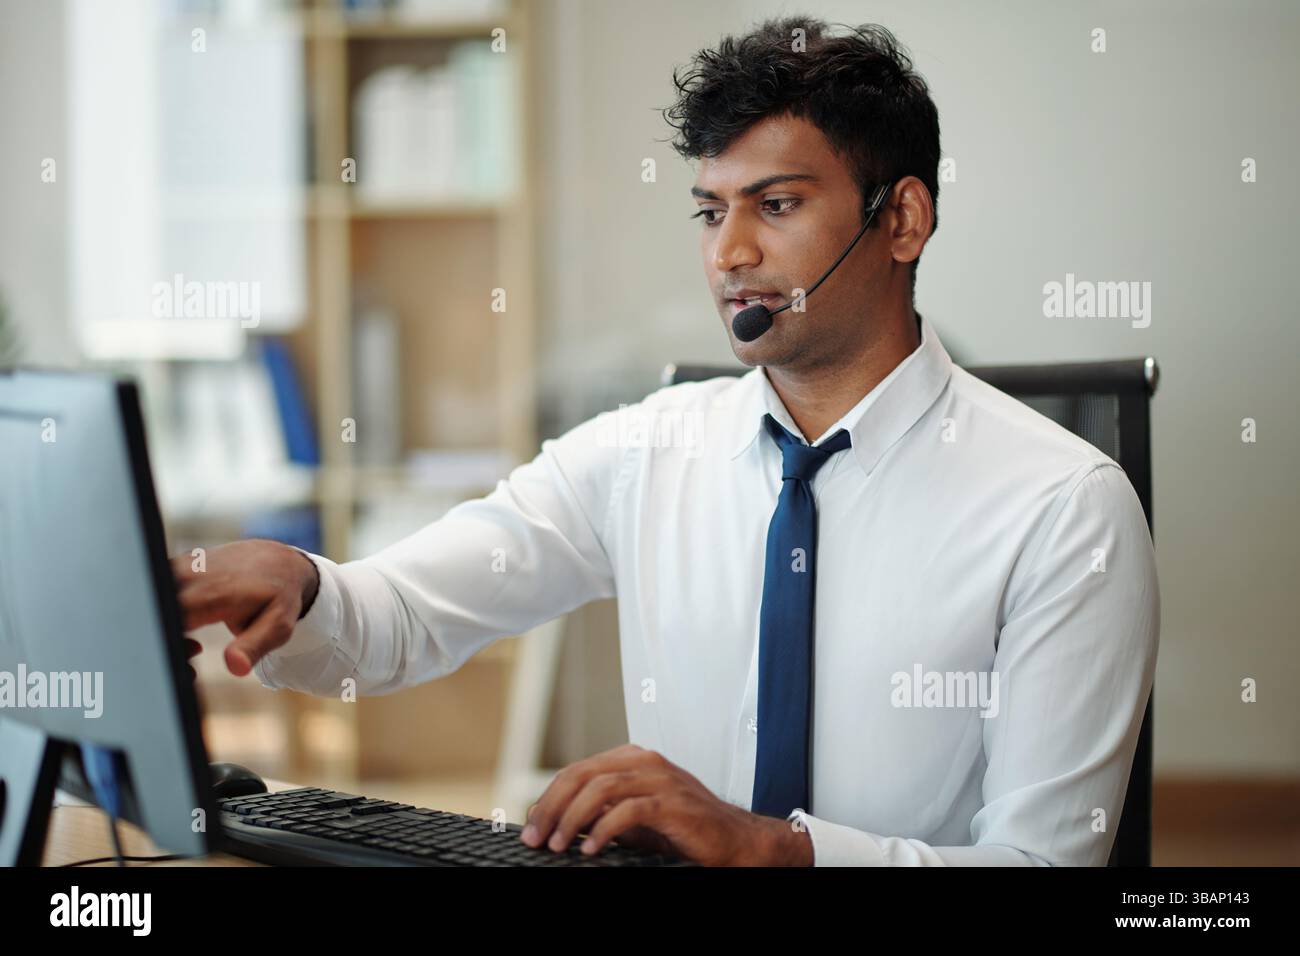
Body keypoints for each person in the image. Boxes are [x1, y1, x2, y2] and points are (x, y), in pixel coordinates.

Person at [173, 18, 1158, 866]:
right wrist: (302, 582)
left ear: (899, 217)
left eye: (774, 206)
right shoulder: (643, 452)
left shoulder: (1064, 505)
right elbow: (402, 615)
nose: (728, 253)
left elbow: (1043, 861)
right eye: (709, 210)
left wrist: (775, 848)